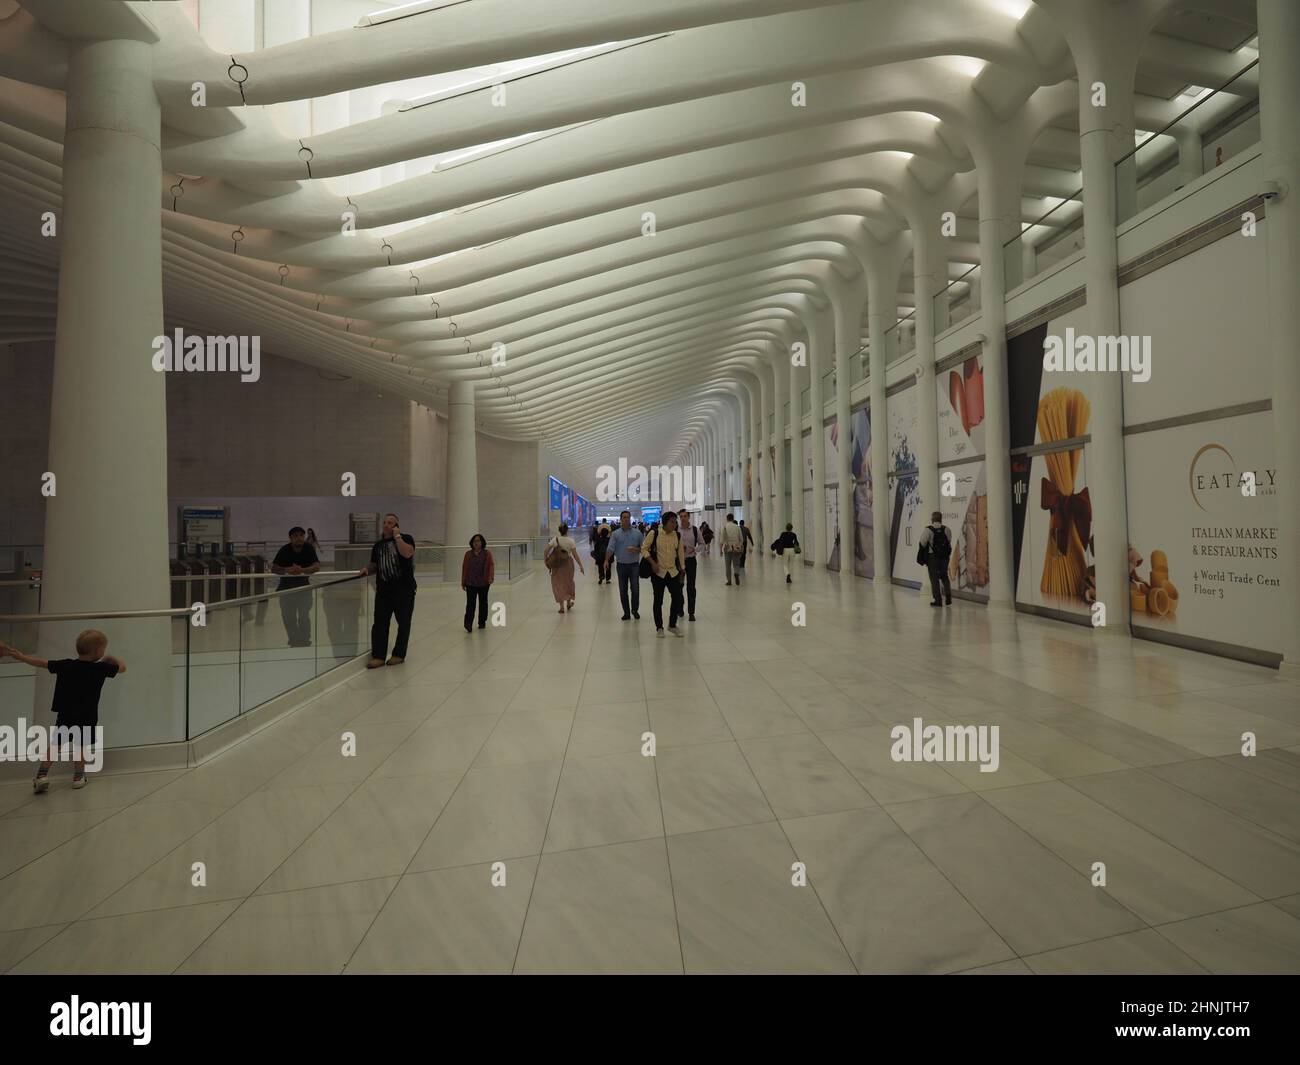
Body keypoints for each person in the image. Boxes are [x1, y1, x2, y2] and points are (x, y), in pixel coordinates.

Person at [0, 629, 125, 791]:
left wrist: (22, 657)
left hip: (65, 714)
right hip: (87, 715)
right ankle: (78, 777)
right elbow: (122, 667)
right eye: (103, 649)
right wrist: (111, 658)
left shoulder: (66, 665)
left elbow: (42, 663)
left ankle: (41, 775)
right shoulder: (100, 669)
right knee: (82, 746)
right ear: (97, 651)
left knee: (56, 744)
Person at [358, 512, 416, 667]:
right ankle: (378, 655)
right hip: (383, 591)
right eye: (384, 522)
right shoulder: (378, 545)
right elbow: (374, 564)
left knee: (403, 623)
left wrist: (397, 537)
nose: (386, 525)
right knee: (380, 623)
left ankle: (398, 654)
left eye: (390, 523)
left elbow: (407, 553)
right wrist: (366, 569)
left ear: (397, 526)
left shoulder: (406, 539)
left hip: (404, 590)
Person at [271, 526, 321, 647]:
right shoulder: (284, 550)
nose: (299, 538)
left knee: (304, 615)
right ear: (290, 538)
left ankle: (304, 640)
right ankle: (294, 640)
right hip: (286, 590)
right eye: (295, 536)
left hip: (304, 589)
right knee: (289, 616)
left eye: (301, 535)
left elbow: (316, 566)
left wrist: (302, 570)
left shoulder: (309, 549)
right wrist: (287, 570)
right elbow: (274, 568)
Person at [642, 509, 686, 637]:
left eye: (675, 522)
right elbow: (644, 549)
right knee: (658, 600)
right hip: (658, 573)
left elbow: (680, 554)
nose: (675, 524)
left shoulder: (677, 535)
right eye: (672, 522)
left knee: (677, 598)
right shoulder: (654, 533)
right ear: (665, 522)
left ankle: (672, 625)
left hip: (673, 572)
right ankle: (659, 627)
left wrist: (682, 569)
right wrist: (653, 563)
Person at [608, 509, 645, 620]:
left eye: (628, 517)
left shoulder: (637, 533)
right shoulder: (615, 534)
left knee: (635, 589)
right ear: (620, 519)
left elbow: (644, 549)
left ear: (630, 519)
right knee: (623, 590)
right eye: (624, 517)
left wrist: (636, 549)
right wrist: (606, 561)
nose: (626, 519)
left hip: (634, 565)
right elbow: (610, 548)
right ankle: (626, 612)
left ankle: (635, 610)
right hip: (621, 565)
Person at [545, 522, 584, 613]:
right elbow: (575, 555)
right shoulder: (571, 541)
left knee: (558, 584)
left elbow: (546, 550)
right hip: (568, 564)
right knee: (568, 582)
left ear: (559, 531)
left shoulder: (555, 540)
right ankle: (569, 603)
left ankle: (561, 607)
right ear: (567, 530)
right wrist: (581, 565)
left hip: (556, 564)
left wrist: (545, 559)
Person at [918, 510, 954, 607]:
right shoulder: (947, 529)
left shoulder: (928, 530)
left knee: (934, 578)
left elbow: (922, 542)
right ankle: (948, 596)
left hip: (933, 557)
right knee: (944, 576)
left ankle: (937, 600)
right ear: (941, 519)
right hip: (945, 557)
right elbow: (949, 541)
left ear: (932, 519)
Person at [461, 533, 494, 632]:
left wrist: (490, 578)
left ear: (482, 542)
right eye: (474, 541)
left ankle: (482, 622)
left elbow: (491, 566)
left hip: (483, 583)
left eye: (478, 541)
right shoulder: (468, 554)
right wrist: (463, 581)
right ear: (472, 543)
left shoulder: (487, 554)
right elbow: (464, 568)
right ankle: (468, 624)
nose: (476, 543)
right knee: (470, 604)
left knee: (483, 603)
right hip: (470, 583)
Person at [677, 508, 702, 621]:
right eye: (681, 516)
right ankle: (680, 608)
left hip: (691, 561)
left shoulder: (695, 530)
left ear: (688, 517)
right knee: (678, 586)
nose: (683, 518)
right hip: (679, 562)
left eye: (684, 516)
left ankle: (691, 612)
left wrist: (695, 549)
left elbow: (702, 543)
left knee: (691, 587)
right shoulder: (676, 530)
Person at [720, 513, 744, 586]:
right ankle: (736, 573)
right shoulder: (737, 527)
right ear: (733, 519)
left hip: (727, 548)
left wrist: (721, 549)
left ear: (727, 519)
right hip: (736, 548)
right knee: (736, 564)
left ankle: (729, 581)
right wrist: (740, 545)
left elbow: (722, 539)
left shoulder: (724, 527)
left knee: (728, 565)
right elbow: (741, 539)